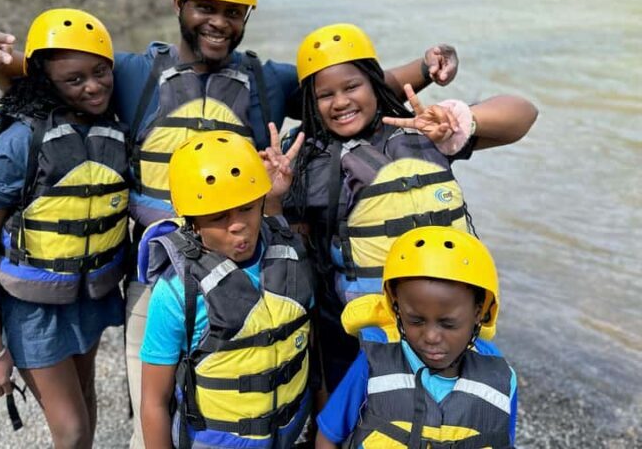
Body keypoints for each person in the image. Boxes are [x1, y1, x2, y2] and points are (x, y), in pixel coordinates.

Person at [0, 0, 460, 447]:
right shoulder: (135, 74)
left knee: (244, 402)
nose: (218, 22)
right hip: (160, 280)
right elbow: (53, 73)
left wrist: (427, 65)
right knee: (153, 414)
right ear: (179, 4)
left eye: (232, 11)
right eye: (205, 7)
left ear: (247, 16)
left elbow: (352, 84)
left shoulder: (265, 81)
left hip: (245, 264)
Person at [285, 23, 537, 395]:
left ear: (376, 83)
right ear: (311, 103)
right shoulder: (306, 162)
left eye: (352, 87)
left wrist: (460, 122)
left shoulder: (423, 131)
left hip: (444, 323)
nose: (340, 102)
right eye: (326, 95)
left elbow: (523, 114)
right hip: (362, 330)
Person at [0, 8, 129, 448]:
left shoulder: (110, 125)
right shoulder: (19, 143)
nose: (93, 86)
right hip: (32, 308)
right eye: (74, 80)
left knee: (86, 406)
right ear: (45, 80)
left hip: (89, 297)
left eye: (100, 72)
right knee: (72, 431)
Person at [138, 129, 311, 448]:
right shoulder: (176, 293)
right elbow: (154, 401)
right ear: (191, 221)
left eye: (247, 208)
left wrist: (273, 197)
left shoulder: (286, 254)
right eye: (218, 216)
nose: (237, 225)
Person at [315, 226, 518, 448]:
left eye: (448, 324)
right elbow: (327, 437)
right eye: (416, 321)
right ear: (396, 306)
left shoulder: (501, 379)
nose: (430, 336)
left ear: (479, 312)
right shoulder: (372, 364)